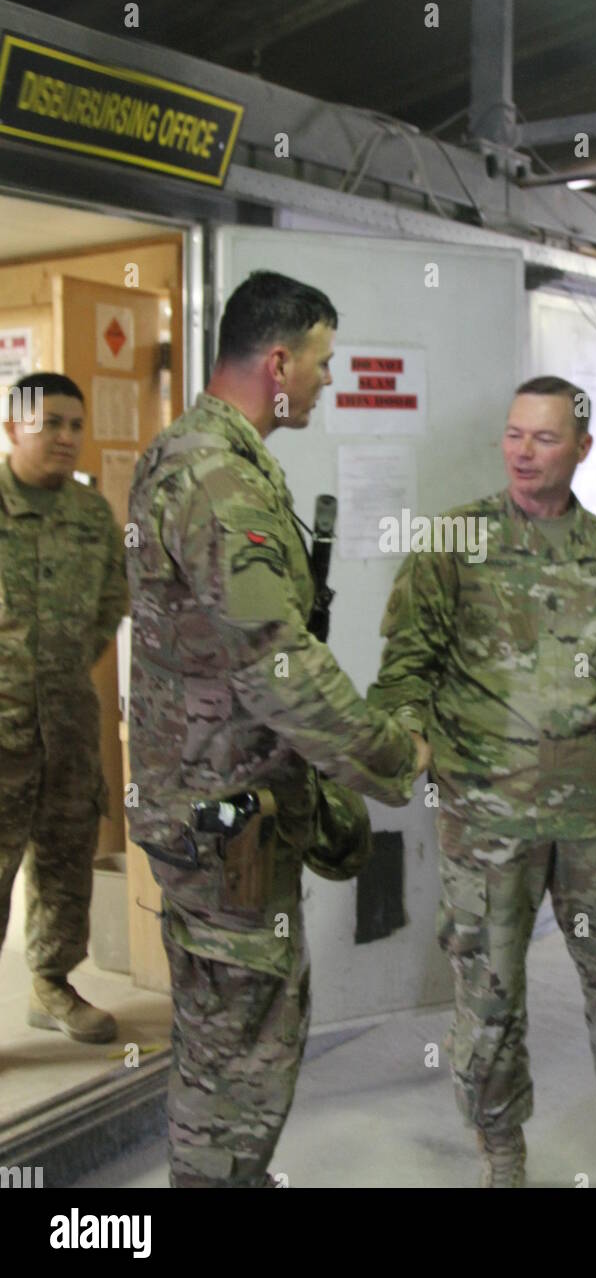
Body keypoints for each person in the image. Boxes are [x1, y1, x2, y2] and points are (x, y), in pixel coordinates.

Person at [126, 270, 430, 1189]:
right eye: (323, 362)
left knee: (228, 1034)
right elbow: (275, 662)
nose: (328, 381)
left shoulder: (202, 455)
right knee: (244, 1051)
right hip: (223, 826)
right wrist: (391, 757)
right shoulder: (218, 478)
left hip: (220, 804)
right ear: (277, 361)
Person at [368, 375, 596, 1188]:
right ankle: (501, 1152)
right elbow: (403, 673)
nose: (523, 453)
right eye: (512, 435)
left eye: (542, 438)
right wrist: (407, 749)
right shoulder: (454, 542)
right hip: (487, 819)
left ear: (581, 447)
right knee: (489, 999)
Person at [0, 372, 127, 1043]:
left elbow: (109, 607)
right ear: (13, 427)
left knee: (65, 858)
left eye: (76, 426)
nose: (68, 437)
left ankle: (51, 985)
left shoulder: (91, 515)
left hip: (68, 724)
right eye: (51, 423)